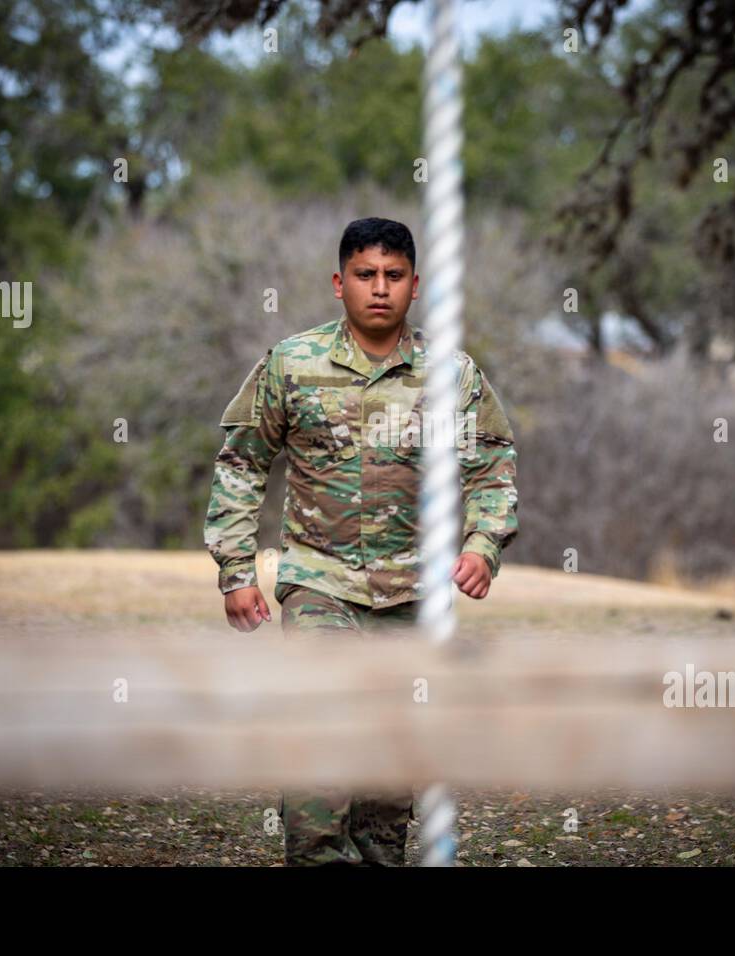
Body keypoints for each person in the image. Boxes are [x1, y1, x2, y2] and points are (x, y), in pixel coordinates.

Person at [203, 216, 519, 865]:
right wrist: (236, 571)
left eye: (393, 275)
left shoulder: (450, 376)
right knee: (320, 751)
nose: (380, 289)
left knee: (388, 772)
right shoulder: (291, 364)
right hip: (321, 584)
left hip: (414, 594)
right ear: (338, 283)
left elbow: (489, 464)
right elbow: (242, 463)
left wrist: (483, 543)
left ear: (416, 284)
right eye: (365, 275)